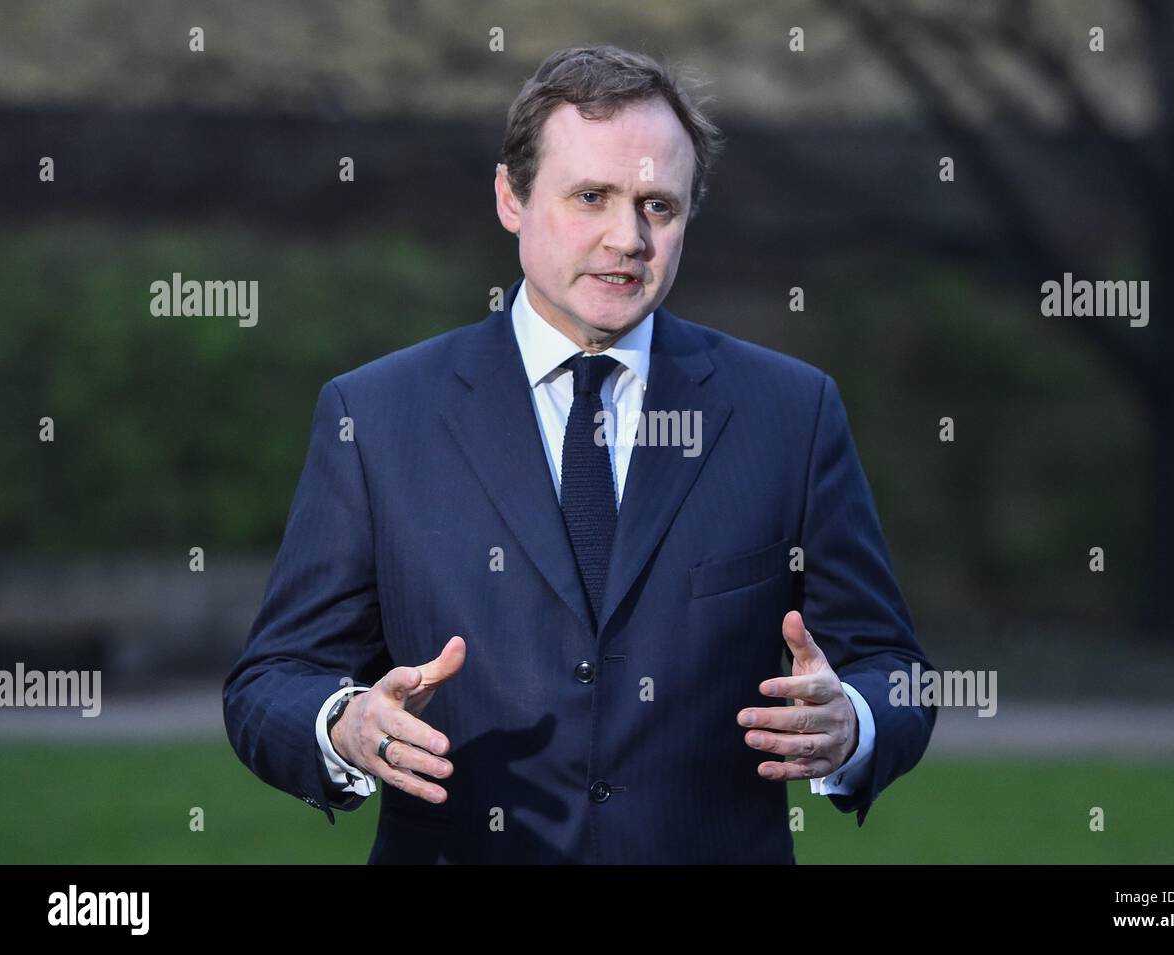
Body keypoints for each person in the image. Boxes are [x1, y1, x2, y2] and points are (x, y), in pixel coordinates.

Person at [223, 44, 936, 864]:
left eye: (657, 206)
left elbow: (894, 668)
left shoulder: (790, 411)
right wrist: (344, 722)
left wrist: (853, 719)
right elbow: (270, 680)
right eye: (591, 196)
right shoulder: (376, 415)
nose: (625, 237)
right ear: (510, 197)